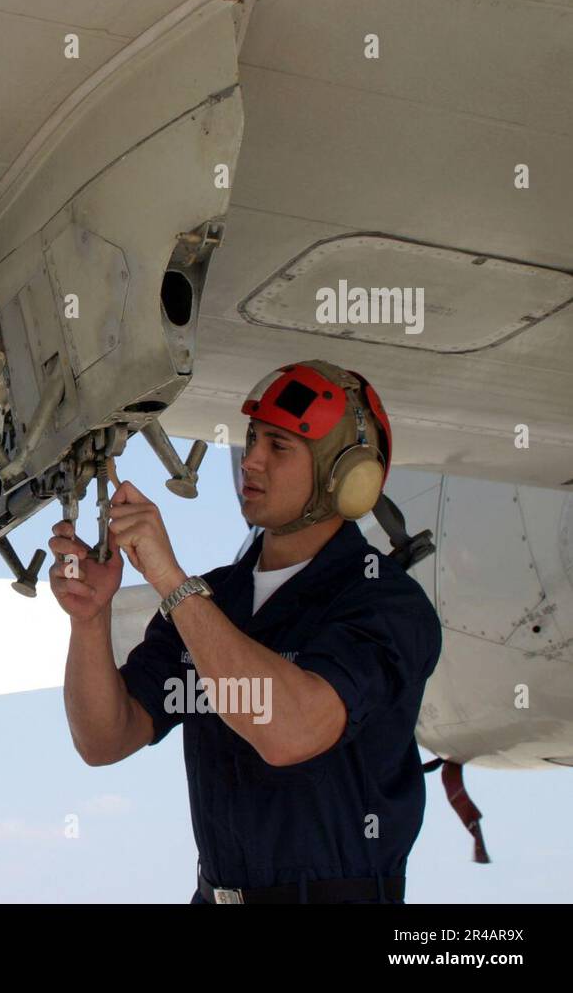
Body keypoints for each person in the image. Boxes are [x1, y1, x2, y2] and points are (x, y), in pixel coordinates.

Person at [51, 359, 442, 904]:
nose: (250, 460)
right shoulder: (213, 601)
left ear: (345, 474)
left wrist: (170, 579)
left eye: (279, 447)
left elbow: (288, 731)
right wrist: (89, 619)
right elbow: (104, 739)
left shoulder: (384, 604)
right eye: (253, 438)